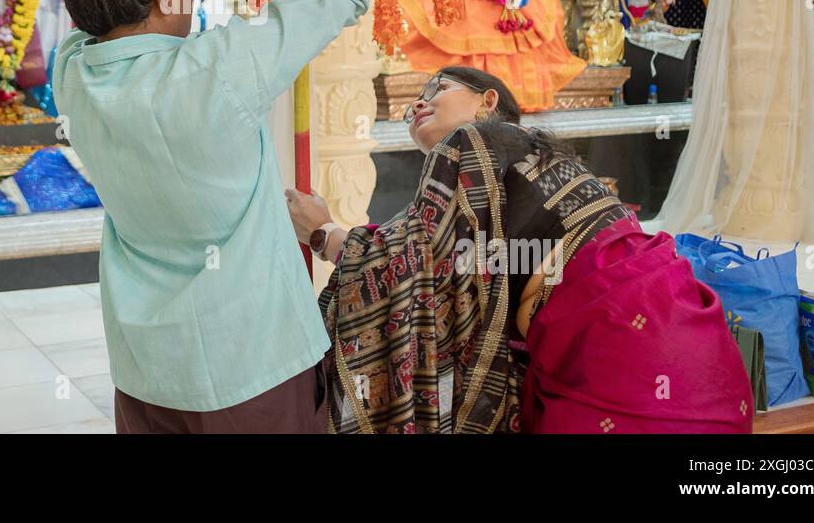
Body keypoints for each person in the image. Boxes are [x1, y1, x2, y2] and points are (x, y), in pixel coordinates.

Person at [286, 65, 753, 434]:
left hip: (621, 350)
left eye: (437, 88)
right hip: (697, 358)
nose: (418, 104)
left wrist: (323, 232)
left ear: (488, 100)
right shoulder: (538, 163)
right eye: (412, 105)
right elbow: (444, 259)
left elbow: (416, 258)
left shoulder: (470, 143)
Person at [53, 0, 369, 433]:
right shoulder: (219, 69)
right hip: (250, 370)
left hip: (147, 373)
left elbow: (124, 17)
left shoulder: (72, 74)